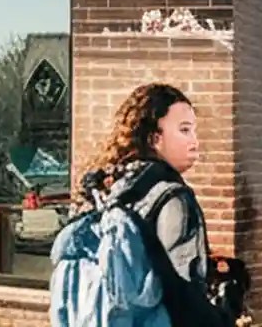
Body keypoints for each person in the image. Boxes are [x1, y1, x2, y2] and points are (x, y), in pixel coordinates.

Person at [50, 82, 249, 326]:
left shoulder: (102, 191)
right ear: (155, 138)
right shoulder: (172, 198)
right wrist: (227, 307)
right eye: (184, 130)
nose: (195, 142)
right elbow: (185, 302)